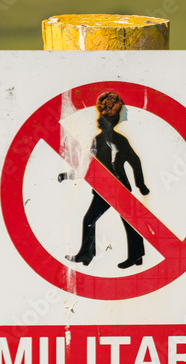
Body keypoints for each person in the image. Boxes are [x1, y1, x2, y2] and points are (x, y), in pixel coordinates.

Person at [62, 91, 149, 268]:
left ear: (111, 121)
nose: (98, 120)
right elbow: (86, 163)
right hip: (103, 189)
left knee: (129, 221)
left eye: (103, 117)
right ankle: (87, 255)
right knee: (89, 220)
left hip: (119, 188)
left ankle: (136, 255)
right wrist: (68, 175)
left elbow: (135, 161)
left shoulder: (120, 141)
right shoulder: (97, 140)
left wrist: (141, 184)